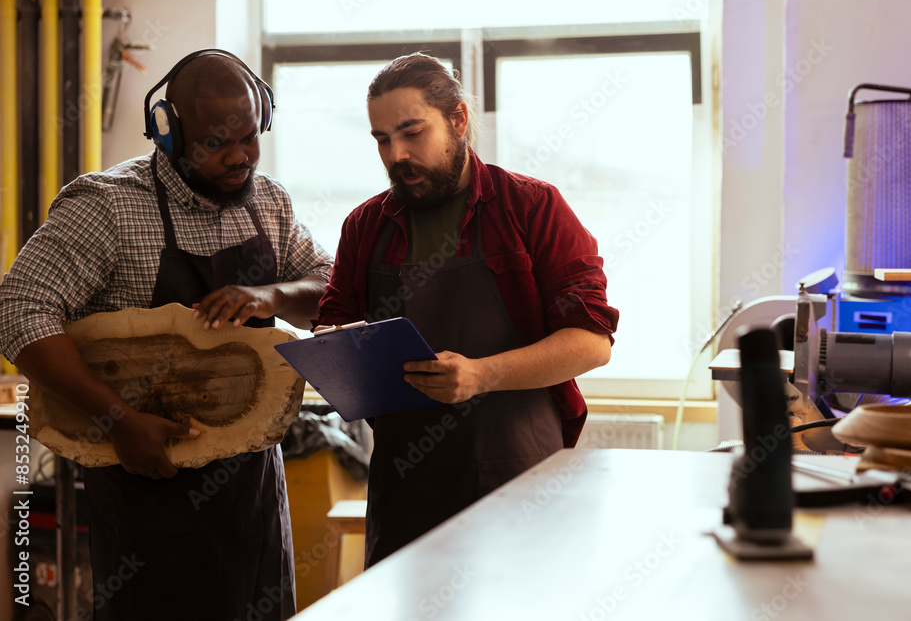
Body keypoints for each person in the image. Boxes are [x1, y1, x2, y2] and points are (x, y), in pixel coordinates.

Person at [0, 50, 334, 621]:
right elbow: (19, 311)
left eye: (250, 138)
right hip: (144, 488)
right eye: (214, 144)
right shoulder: (106, 207)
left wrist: (271, 296)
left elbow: (329, 287)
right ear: (168, 133)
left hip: (252, 489)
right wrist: (120, 422)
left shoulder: (269, 202)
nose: (239, 158)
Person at [313, 52, 619, 567]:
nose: (397, 155)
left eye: (412, 132)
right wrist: (337, 350)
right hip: (406, 483)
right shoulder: (365, 226)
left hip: (518, 474)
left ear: (458, 119)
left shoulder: (533, 208)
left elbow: (591, 342)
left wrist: (481, 375)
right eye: (382, 140)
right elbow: (332, 323)